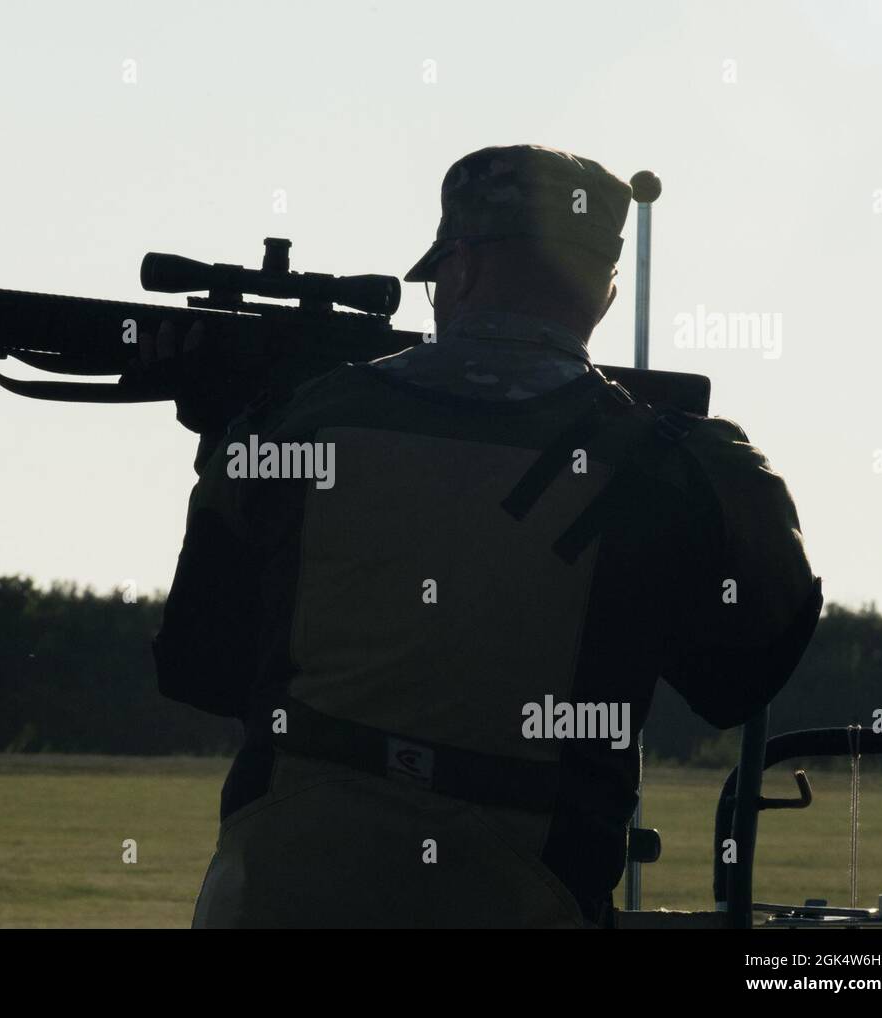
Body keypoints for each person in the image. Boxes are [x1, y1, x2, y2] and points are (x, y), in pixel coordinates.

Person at [150, 145, 823, 928]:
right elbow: (739, 678)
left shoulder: (301, 426)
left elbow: (199, 668)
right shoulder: (670, 466)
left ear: (461, 272)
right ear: (603, 295)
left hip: (281, 883)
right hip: (524, 890)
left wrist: (227, 435)